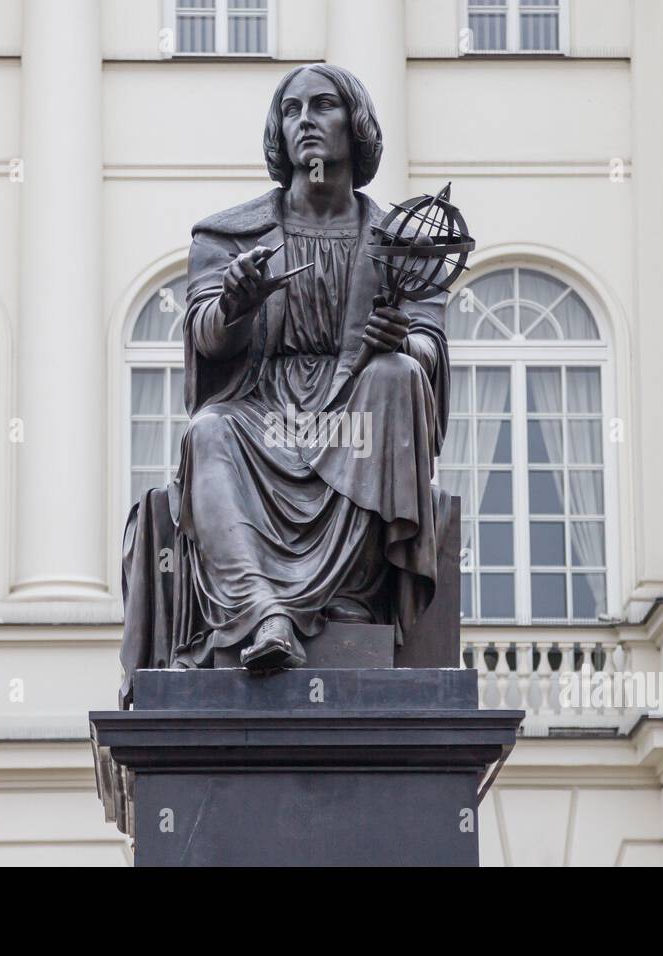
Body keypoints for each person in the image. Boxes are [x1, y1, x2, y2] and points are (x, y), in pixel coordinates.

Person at [120, 64, 451, 699]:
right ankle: (261, 611)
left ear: (355, 128)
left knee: (398, 375)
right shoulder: (227, 235)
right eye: (292, 109)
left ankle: (352, 596)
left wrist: (399, 340)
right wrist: (236, 306)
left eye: (323, 106)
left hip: (354, 406)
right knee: (209, 432)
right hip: (261, 411)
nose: (305, 120)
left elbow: (429, 345)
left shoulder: (400, 242)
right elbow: (206, 339)